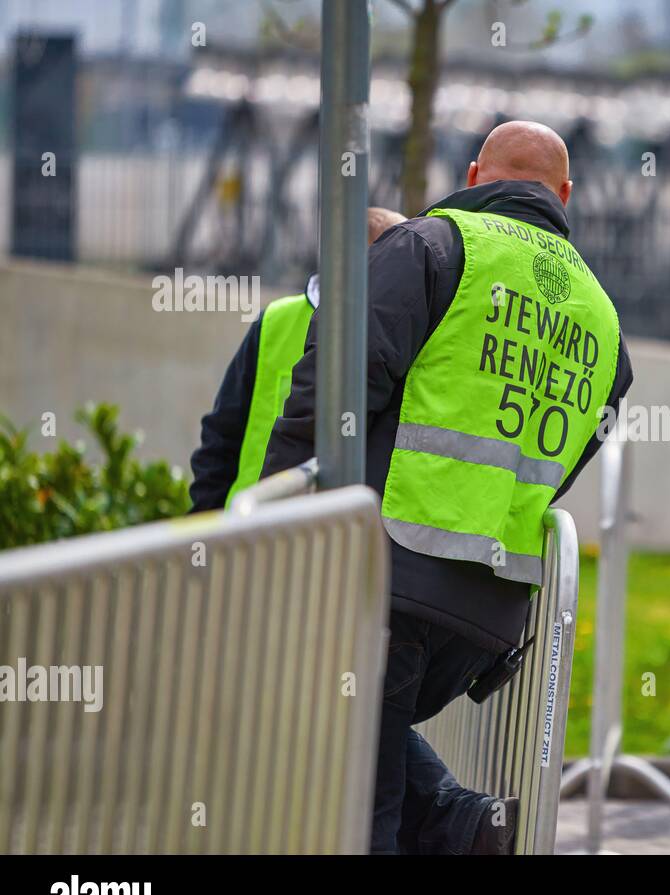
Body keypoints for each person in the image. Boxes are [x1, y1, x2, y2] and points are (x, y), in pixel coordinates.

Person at [262, 120, 634, 855]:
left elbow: (331, 394)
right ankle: (464, 823)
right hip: (488, 615)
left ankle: (456, 823)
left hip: (384, 581)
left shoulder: (432, 246)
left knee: (355, 805)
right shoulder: (604, 322)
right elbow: (565, 459)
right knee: (372, 758)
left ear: (474, 174)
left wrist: (271, 526)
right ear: (564, 195)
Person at [188, 208, 407, 511]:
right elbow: (220, 439)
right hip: (253, 530)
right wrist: (206, 530)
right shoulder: (275, 323)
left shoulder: (405, 334)